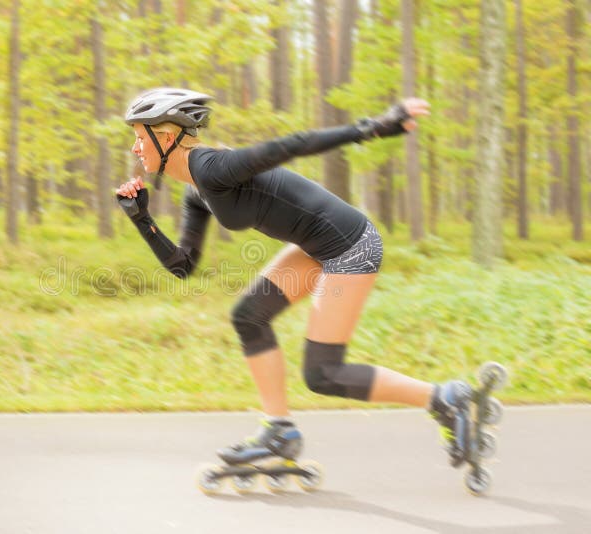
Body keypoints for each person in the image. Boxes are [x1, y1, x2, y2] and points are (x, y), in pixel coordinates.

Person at [115, 87, 474, 469]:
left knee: (324, 374)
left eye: (140, 137)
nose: (136, 148)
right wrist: (142, 219)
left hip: (349, 245)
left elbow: (292, 144)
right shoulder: (196, 191)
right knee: (248, 317)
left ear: (166, 138)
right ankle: (279, 431)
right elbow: (183, 265)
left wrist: (374, 127)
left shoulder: (212, 167)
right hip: (315, 245)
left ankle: (444, 399)